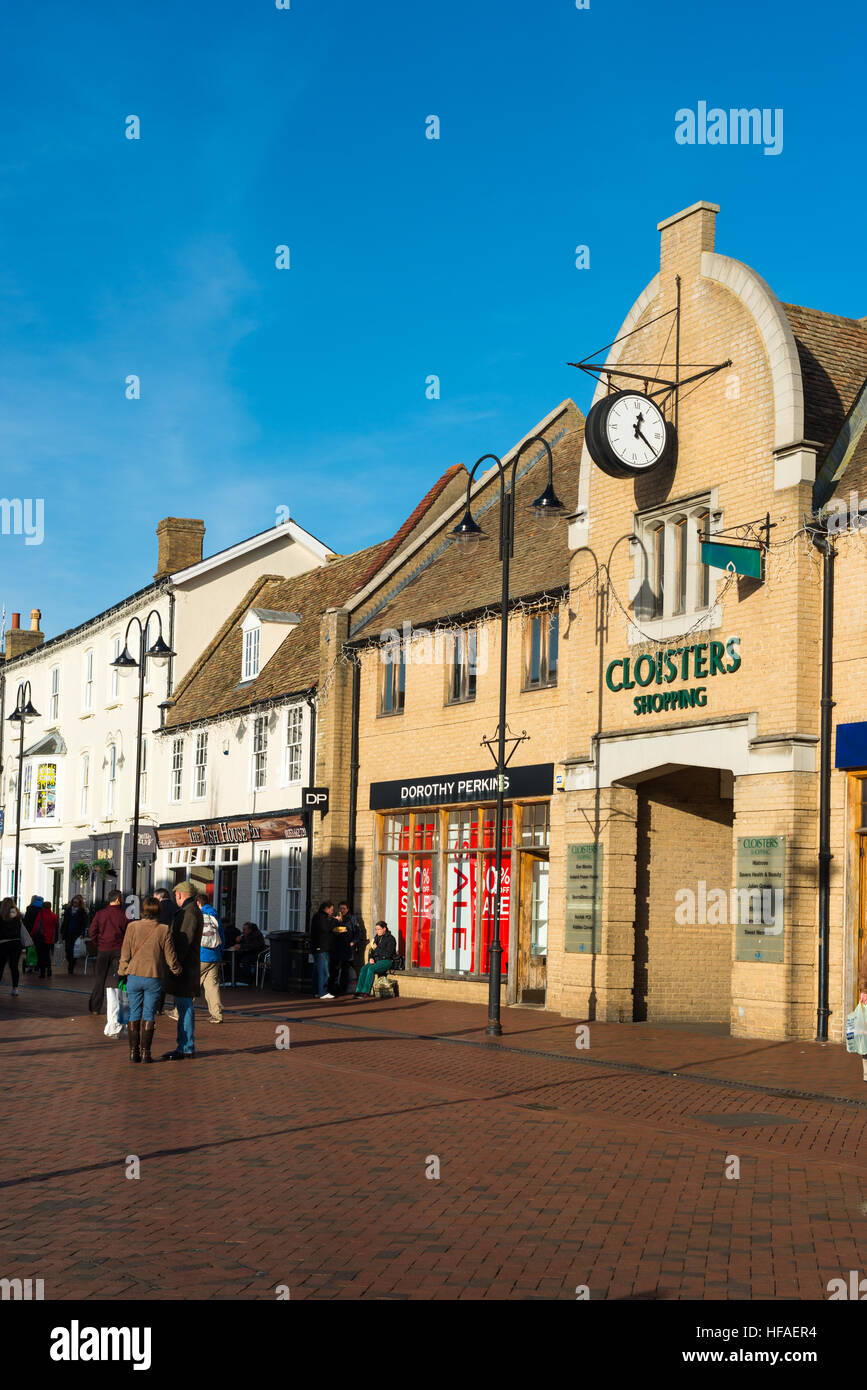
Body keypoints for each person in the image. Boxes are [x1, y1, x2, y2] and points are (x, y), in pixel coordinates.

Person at [119, 896, 182, 1063]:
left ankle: (133, 1052)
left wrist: (122, 970)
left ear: (143, 910)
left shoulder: (132, 926)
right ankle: (146, 1052)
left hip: (134, 974)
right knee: (149, 1014)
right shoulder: (163, 929)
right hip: (153, 975)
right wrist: (176, 970)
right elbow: (170, 956)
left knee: (134, 1012)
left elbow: (125, 952)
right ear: (158, 911)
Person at [162, 881, 204, 1060]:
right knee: (183, 1007)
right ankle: (184, 1045)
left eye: (176, 895)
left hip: (185, 969)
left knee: (185, 1008)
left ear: (179, 894)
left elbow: (182, 941)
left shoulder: (190, 913)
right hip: (185, 968)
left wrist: (174, 965)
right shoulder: (190, 911)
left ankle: (186, 1047)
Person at [87, 890, 128, 1028]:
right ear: (117, 899)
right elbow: (128, 931)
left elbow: (92, 931)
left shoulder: (100, 914)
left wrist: (98, 943)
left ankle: (95, 1007)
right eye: (121, 898)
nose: (122, 900)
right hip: (118, 949)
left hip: (103, 949)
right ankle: (121, 1007)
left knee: (100, 979)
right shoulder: (123, 914)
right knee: (120, 979)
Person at [197, 893, 225, 1023]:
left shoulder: (199, 916)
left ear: (198, 903)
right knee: (212, 986)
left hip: (202, 955)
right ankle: (217, 1014)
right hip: (215, 956)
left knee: (190, 983)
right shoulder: (215, 916)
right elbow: (222, 938)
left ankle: (179, 1012)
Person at [354, 920, 397, 999]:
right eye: (376, 929)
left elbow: (387, 954)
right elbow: (371, 950)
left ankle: (365, 992)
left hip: (387, 961)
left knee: (371, 968)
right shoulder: (376, 937)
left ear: (384, 929)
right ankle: (358, 991)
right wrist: (371, 958)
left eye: (379, 929)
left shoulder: (391, 939)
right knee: (364, 968)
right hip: (376, 960)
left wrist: (377, 948)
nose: (378, 931)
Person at [0, 898, 33, 995]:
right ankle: (15, 988)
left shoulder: (1, 915)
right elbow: (22, 928)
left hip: (3, 943)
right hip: (16, 943)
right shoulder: (17, 916)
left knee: (1, 966)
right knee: (14, 966)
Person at [332, 901, 365, 996]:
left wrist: (353, 942)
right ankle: (335, 988)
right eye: (341, 908)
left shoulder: (352, 918)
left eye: (344, 908)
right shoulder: (336, 918)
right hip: (337, 947)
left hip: (347, 948)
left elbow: (358, 932)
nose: (342, 910)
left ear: (347, 909)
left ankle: (343, 988)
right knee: (335, 968)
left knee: (345, 968)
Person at [25, 896, 59, 979]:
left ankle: (43, 973)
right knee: (47, 955)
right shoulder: (54, 915)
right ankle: (49, 970)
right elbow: (57, 926)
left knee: (41, 955)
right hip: (50, 939)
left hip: (41, 939)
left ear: (43, 907)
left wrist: (32, 935)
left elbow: (36, 927)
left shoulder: (41, 915)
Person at [310, 901, 336, 999]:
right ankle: (323, 992)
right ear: (326, 908)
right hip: (321, 947)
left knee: (317, 970)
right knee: (323, 970)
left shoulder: (319, 916)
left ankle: (316, 991)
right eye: (331, 909)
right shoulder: (320, 917)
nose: (332, 912)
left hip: (319, 947)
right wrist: (335, 920)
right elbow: (326, 928)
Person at [229, 921, 265, 987]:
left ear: (250, 930)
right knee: (234, 957)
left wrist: (241, 946)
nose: (243, 931)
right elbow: (244, 945)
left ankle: (247, 979)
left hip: (257, 954)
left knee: (245, 960)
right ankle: (235, 977)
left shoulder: (256, 935)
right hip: (248, 953)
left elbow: (253, 946)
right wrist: (237, 941)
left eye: (244, 929)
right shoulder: (245, 935)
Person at [60, 895, 89, 975]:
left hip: (76, 934)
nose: (74, 904)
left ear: (79, 903)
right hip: (68, 933)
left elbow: (84, 924)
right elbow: (64, 922)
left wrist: (82, 934)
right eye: (73, 902)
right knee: (68, 950)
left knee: (74, 950)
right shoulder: (68, 910)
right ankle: (70, 962)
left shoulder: (82, 912)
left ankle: (71, 966)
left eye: (76, 902)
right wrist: (62, 934)